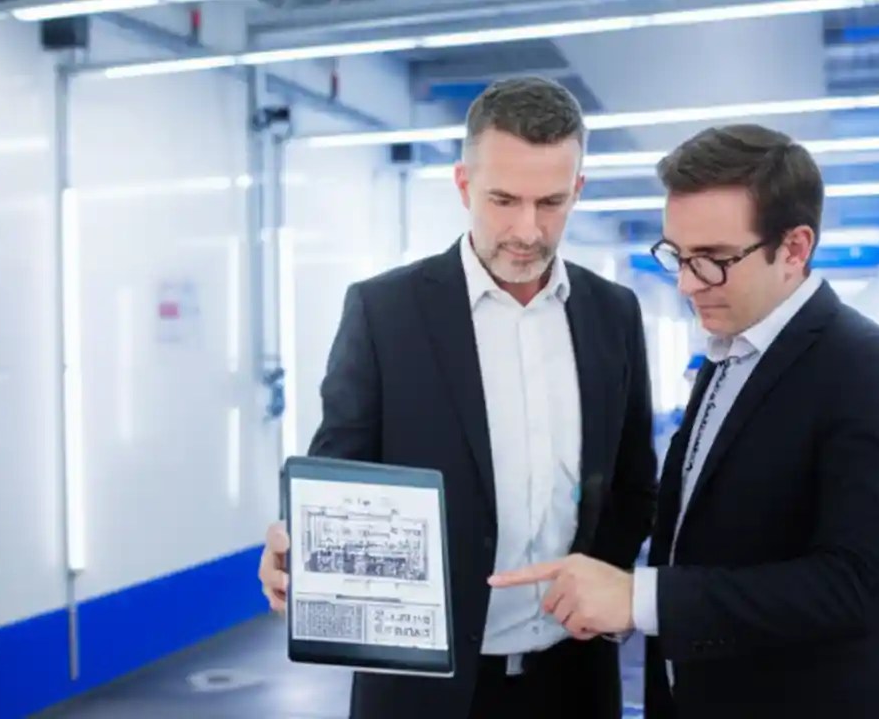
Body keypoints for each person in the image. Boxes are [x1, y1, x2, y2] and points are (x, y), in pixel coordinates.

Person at [490, 123, 879, 718]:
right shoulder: (729, 353)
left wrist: (641, 599)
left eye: (715, 260)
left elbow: (855, 585)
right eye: (677, 255)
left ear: (796, 248)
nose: (686, 283)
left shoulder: (870, 367)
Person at [257, 76, 658, 719]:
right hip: (425, 689)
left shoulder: (613, 314)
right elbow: (341, 475)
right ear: (464, 183)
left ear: (578, 191)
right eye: (504, 199)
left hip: (574, 678)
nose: (527, 229)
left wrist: (604, 597)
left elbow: (635, 480)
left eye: (551, 202)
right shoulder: (385, 312)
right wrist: (298, 543)